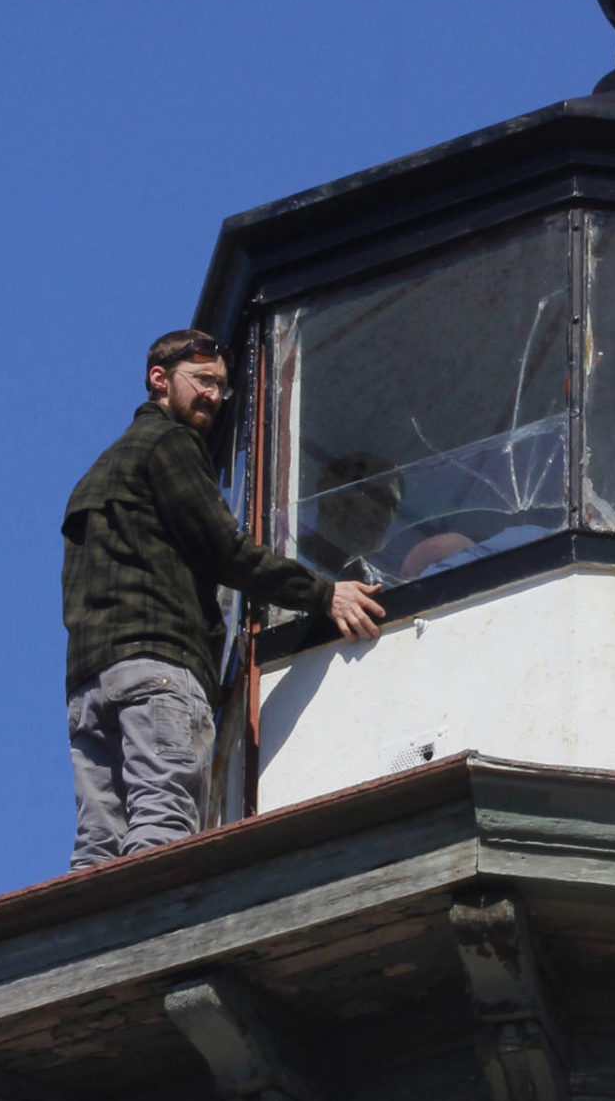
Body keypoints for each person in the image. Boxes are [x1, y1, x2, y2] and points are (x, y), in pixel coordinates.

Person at [61, 329, 382, 869]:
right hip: (158, 669)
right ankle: (157, 947)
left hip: (91, 685)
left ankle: (89, 947)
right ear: (159, 380)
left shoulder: (96, 474)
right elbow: (225, 551)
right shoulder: (170, 445)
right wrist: (323, 594)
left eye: (222, 387)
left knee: (98, 846)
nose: (213, 395)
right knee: (161, 825)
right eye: (203, 381)